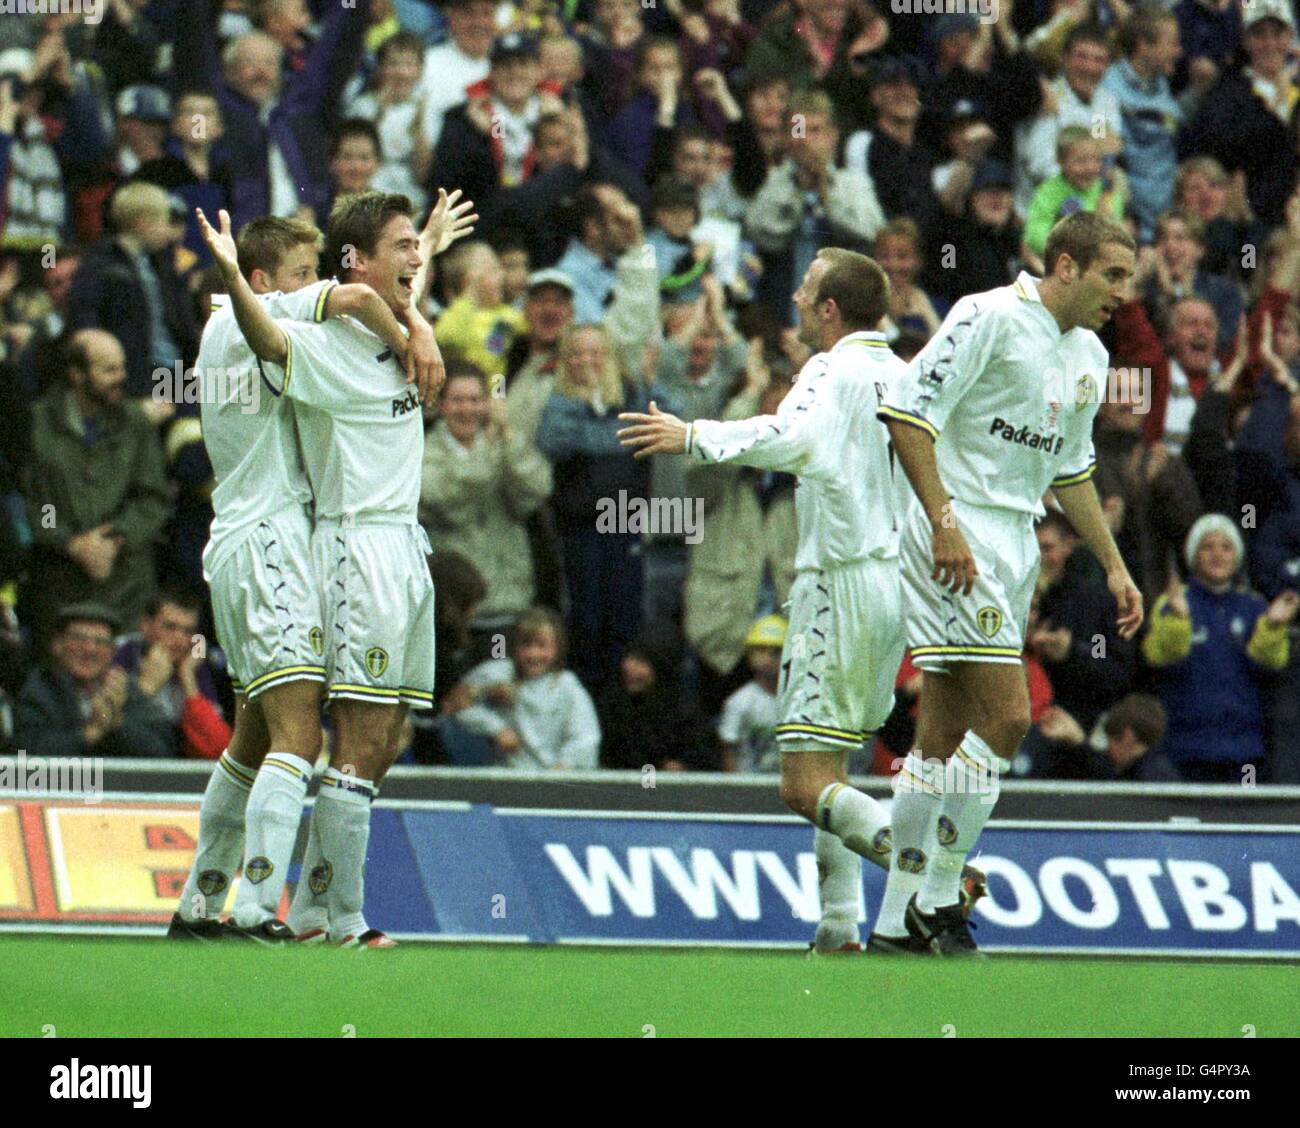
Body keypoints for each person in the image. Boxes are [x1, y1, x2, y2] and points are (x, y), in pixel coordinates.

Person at [618, 247, 986, 956]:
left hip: (837, 584)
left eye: (806, 291)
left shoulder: (833, 368)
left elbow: (793, 437)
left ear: (828, 309)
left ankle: (939, 879)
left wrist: (693, 434)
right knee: (834, 765)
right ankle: (839, 926)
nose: (792, 300)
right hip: (890, 589)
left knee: (800, 782)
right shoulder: (899, 371)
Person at [171, 202, 466, 943]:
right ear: (270, 279)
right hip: (285, 544)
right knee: (300, 738)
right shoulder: (277, 328)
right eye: (306, 274)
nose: (318, 286)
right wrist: (414, 328)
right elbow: (331, 309)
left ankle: (200, 902)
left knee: (256, 736)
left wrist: (424, 252)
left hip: (286, 541)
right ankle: (272, 910)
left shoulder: (292, 327)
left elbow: (381, 292)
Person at [876, 211, 1143, 955]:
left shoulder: (1089, 353)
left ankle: (895, 919)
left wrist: (1115, 565)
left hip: (1015, 542)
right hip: (953, 535)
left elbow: (1072, 470)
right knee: (1010, 718)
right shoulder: (986, 315)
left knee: (941, 737)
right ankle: (941, 896)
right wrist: (944, 522)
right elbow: (906, 412)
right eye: (1112, 276)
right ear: (1065, 265)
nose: (1122, 293)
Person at [21, 328, 170, 653]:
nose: (122, 377)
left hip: (125, 585)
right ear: (76, 375)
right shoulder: (37, 425)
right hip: (60, 588)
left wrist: (113, 538)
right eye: (109, 370)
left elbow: (152, 498)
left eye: (122, 367)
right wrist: (70, 543)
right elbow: (36, 505)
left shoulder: (135, 423)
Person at [1143, 514, 1297, 782]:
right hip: (1185, 747)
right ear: (1193, 556)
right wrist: (1178, 619)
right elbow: (1159, 658)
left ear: (1237, 556)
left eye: (1226, 547)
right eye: (1208, 546)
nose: (1218, 554)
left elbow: (1270, 664)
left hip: (1244, 748)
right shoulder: (1172, 602)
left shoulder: (1255, 607)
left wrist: (1272, 626)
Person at [13, 602, 172, 761]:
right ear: (57, 645)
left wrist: (117, 723)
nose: (90, 649)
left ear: (112, 653)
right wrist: (91, 733)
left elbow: (163, 754)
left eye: (101, 641)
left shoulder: (126, 690)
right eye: (79, 638)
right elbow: (25, 753)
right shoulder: (38, 689)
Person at [450, 607, 601, 770]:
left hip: (556, 778)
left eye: (542, 646)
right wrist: (496, 728)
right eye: (526, 645)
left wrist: (565, 766)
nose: (533, 654)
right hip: (507, 775)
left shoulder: (567, 685)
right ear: (515, 646)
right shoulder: (498, 673)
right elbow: (455, 703)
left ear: (557, 648)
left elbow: (586, 736)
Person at [114, 584, 231, 761]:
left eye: (188, 631)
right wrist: (147, 686)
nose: (180, 640)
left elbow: (218, 749)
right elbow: (111, 731)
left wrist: (188, 678)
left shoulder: (194, 664)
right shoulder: (120, 653)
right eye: (170, 627)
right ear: (145, 624)